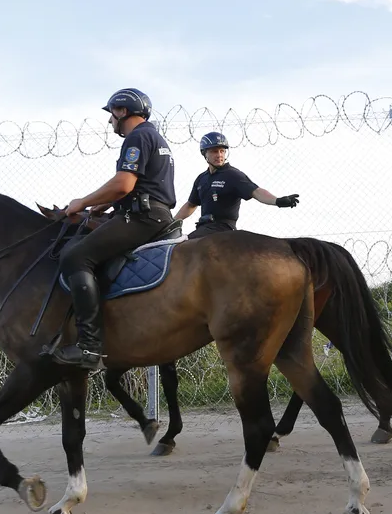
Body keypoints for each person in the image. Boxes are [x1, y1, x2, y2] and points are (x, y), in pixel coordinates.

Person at [51, 87, 178, 369]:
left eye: (111, 114)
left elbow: (123, 184)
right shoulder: (154, 137)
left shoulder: (137, 136)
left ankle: (89, 347)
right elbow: (132, 187)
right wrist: (102, 206)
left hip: (142, 218)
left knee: (75, 256)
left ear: (122, 111)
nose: (110, 121)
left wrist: (81, 202)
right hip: (154, 213)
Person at [173, 131, 300, 239]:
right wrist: (172, 223)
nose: (219, 155)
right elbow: (191, 204)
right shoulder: (201, 179)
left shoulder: (233, 175)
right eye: (214, 151)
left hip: (223, 229)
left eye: (222, 151)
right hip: (204, 228)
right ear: (204, 154)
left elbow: (256, 191)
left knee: (185, 248)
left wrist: (277, 201)